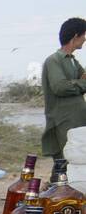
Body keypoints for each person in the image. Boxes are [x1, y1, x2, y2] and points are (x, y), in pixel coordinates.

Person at [41, 18, 86, 160]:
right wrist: (81, 83)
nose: (85, 39)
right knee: (64, 164)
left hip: (77, 122)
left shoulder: (73, 61)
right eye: (84, 35)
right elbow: (60, 87)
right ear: (75, 36)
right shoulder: (53, 60)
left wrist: (76, 83)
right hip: (64, 123)